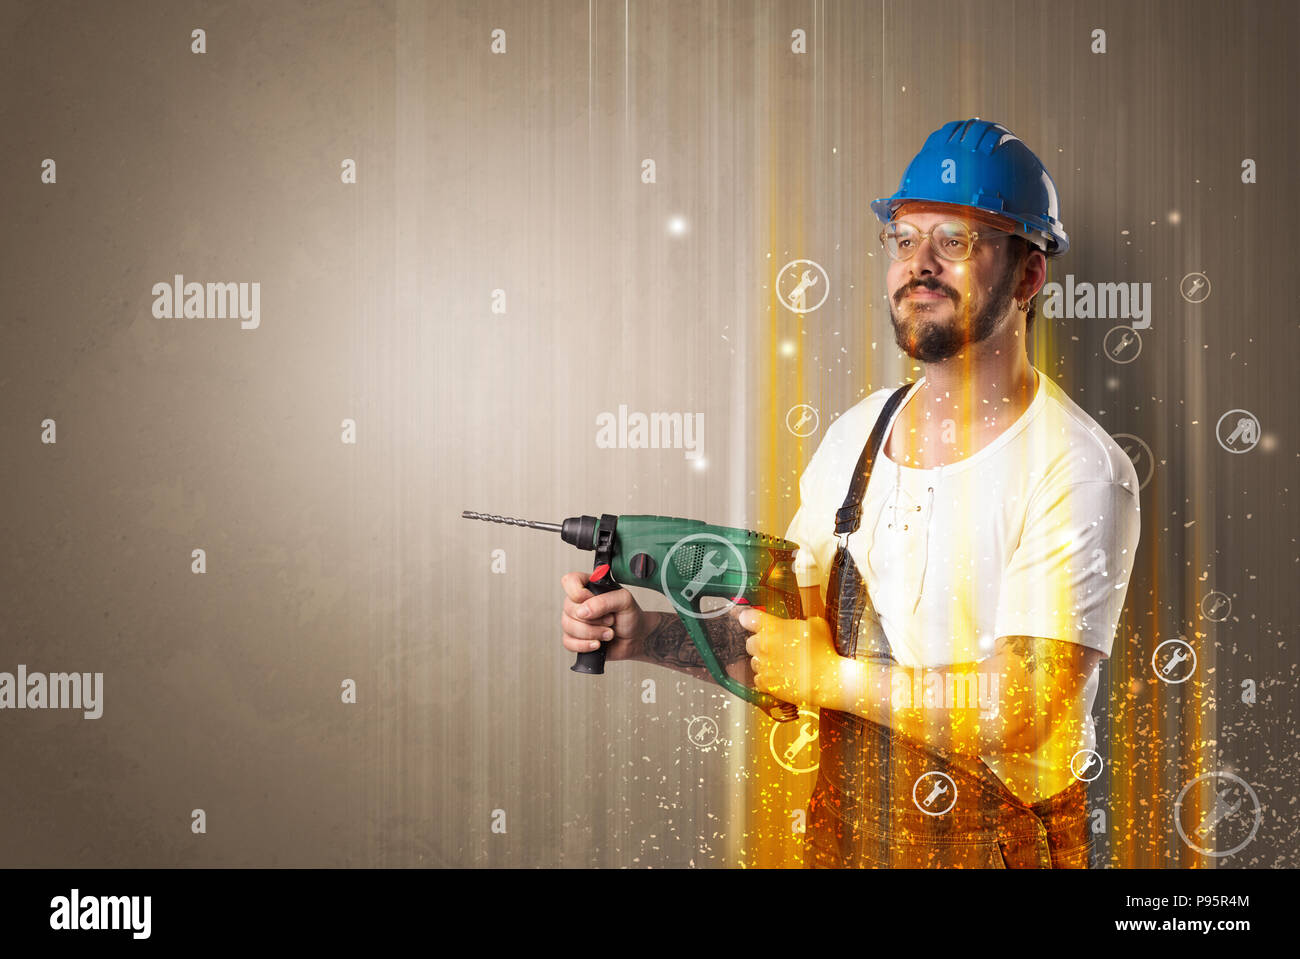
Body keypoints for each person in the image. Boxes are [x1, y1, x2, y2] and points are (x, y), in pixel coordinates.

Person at [559, 118, 1141, 868]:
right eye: (903, 239)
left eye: (955, 241)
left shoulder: (1076, 466)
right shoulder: (857, 436)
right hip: (843, 842)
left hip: (999, 846)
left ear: (1029, 275)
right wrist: (649, 635)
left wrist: (832, 678)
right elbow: (786, 650)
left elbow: (1021, 708)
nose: (918, 264)